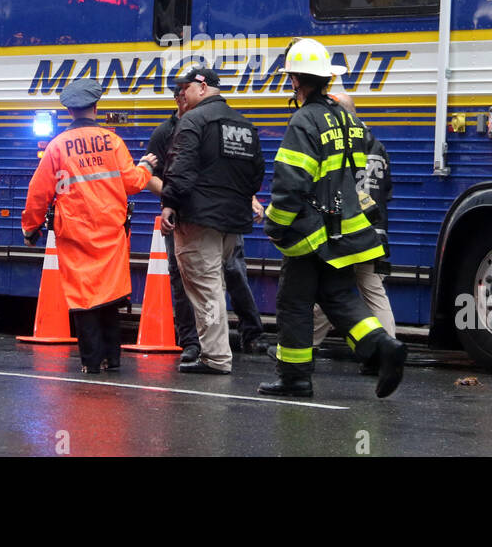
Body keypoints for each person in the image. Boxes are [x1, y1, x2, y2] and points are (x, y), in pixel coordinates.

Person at [259, 39, 406, 399]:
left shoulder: (304, 120)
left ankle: (294, 378)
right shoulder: (346, 117)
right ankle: (383, 347)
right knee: (337, 295)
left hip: (311, 233)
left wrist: (276, 225)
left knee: (294, 302)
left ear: (295, 81)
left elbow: (292, 179)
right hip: (344, 228)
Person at [21, 78, 157, 374]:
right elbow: (132, 183)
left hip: (74, 233)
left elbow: (39, 191)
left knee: (83, 298)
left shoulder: (57, 147)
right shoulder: (113, 141)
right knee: (109, 296)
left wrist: (31, 228)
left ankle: (90, 361)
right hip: (110, 231)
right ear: (96, 106)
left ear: (69, 110)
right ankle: (113, 358)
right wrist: (146, 166)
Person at [146, 84, 267, 365]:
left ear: (199, 90)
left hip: (198, 217)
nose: (182, 98)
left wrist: (171, 203)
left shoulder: (196, 122)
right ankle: (197, 344)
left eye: (185, 91)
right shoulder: (238, 123)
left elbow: (182, 170)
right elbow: (253, 172)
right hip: (228, 218)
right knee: (208, 281)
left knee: (207, 283)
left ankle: (215, 354)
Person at [308, 90, 396, 374]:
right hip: (376, 229)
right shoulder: (378, 145)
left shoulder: (344, 142)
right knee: (371, 292)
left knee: (332, 290)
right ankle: (388, 349)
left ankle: (303, 347)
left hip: (349, 231)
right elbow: (387, 191)